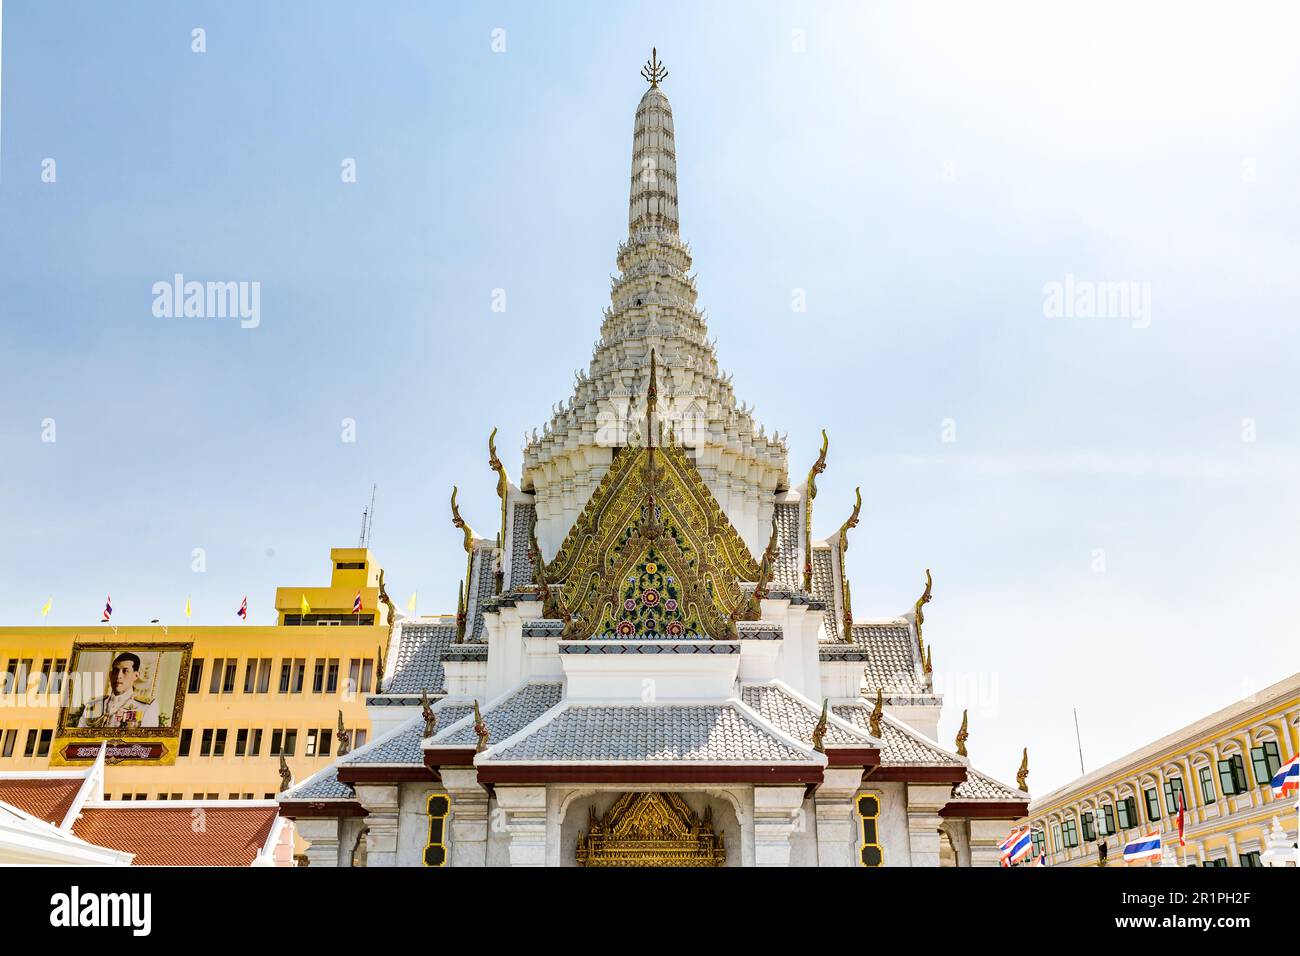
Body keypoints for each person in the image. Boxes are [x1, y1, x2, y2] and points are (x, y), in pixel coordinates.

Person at [76, 652, 161, 729]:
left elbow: (146, 742)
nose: (118, 676)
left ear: (136, 675)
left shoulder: (146, 706)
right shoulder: (93, 704)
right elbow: (78, 737)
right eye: (116, 671)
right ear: (110, 675)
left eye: (125, 671)